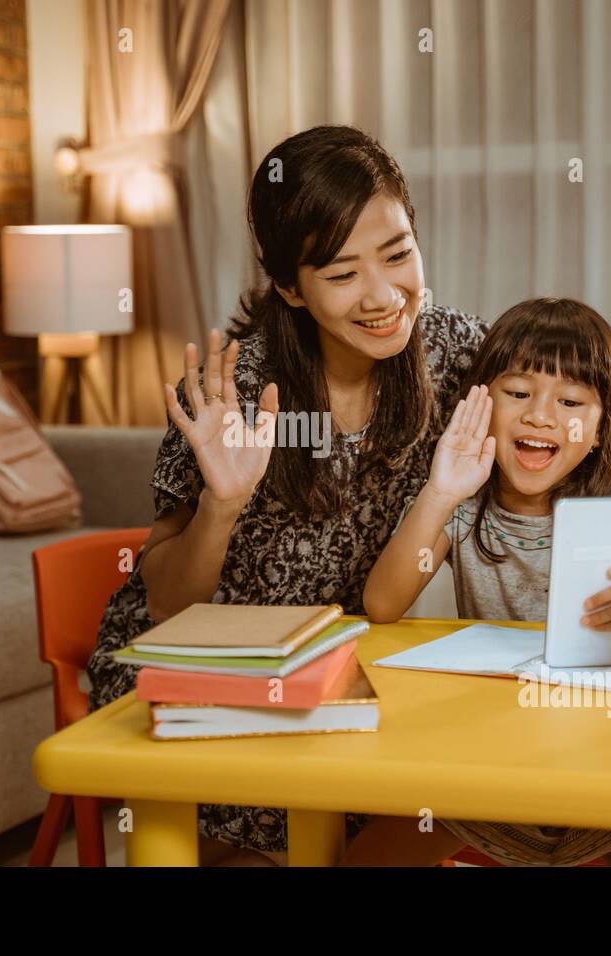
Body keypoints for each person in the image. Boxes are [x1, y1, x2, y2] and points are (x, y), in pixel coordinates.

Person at [86, 125, 487, 865]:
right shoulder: (234, 390)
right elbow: (168, 604)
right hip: (196, 666)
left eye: (398, 254)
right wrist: (222, 503)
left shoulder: (452, 353)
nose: (383, 295)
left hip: (335, 658)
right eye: (341, 274)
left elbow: (556, 410)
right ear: (290, 287)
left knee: (465, 783)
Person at [345, 297, 611, 866]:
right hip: (485, 769)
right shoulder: (461, 509)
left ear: (601, 431)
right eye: (518, 393)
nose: (540, 416)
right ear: (479, 406)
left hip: (606, 772)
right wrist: (441, 489)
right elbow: (381, 603)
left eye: (570, 401)